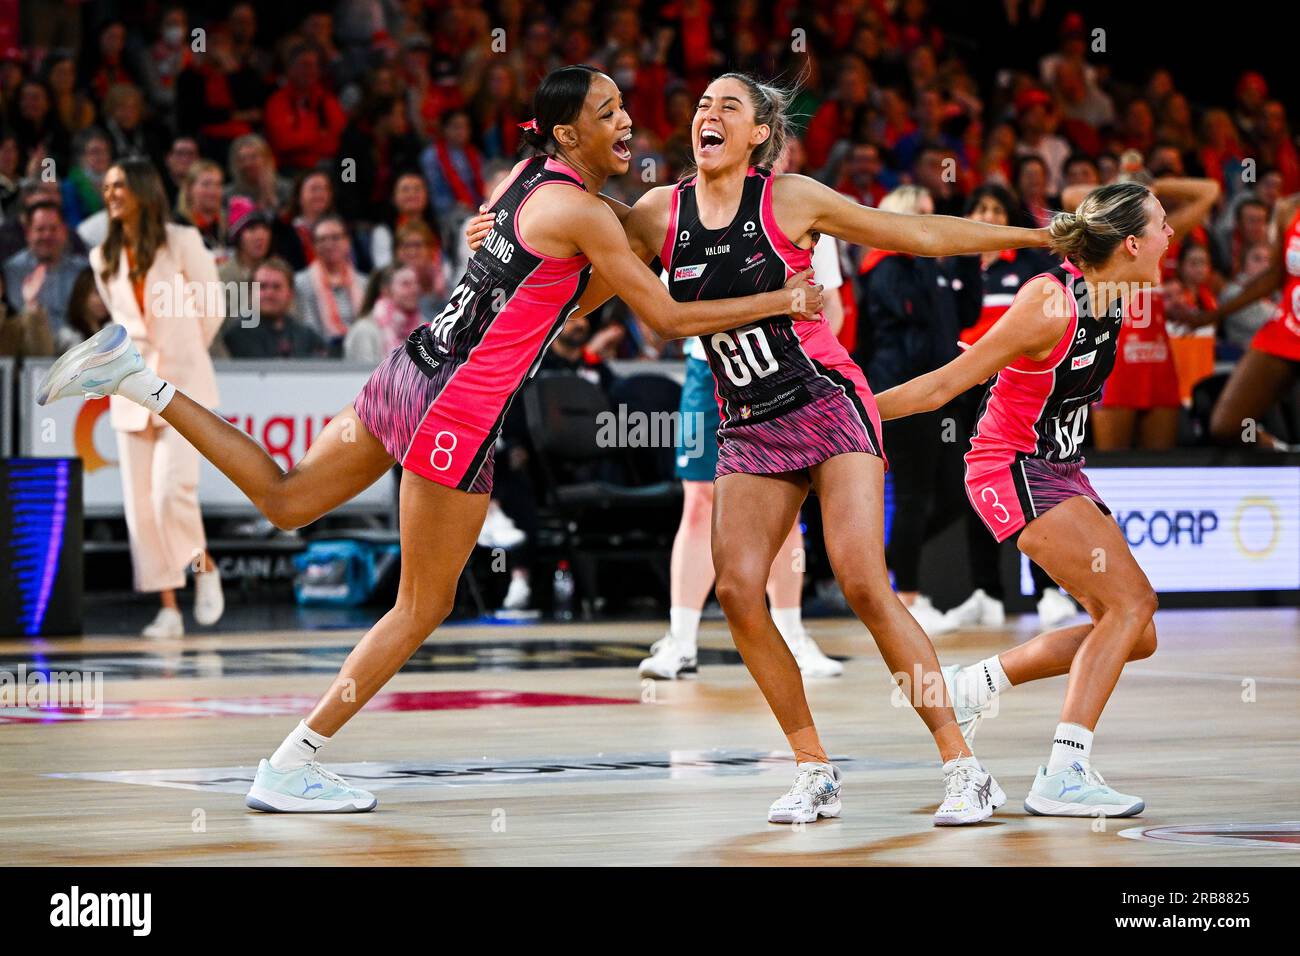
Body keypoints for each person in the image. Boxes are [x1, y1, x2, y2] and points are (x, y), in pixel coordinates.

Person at [37, 66, 823, 814]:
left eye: (624, 107)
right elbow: (669, 320)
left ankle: (136, 377)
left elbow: (563, 302)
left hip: (411, 369)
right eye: (608, 111)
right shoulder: (582, 212)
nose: (626, 121)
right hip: (459, 409)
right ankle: (291, 764)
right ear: (566, 132)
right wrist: (777, 297)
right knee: (422, 604)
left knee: (284, 499)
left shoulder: (524, 183)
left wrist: (637, 241)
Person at [468, 72, 1050, 825]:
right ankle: (814, 768)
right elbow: (568, 254)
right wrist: (503, 241)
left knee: (865, 583)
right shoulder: (655, 214)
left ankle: (964, 767)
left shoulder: (790, 198)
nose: (707, 113)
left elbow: (919, 233)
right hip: (747, 421)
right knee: (739, 591)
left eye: (728, 107)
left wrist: (1036, 237)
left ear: (757, 137)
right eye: (702, 103)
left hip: (828, 405)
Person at [877, 181, 1171, 816]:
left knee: (1135, 631)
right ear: (1130, 244)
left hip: (1061, 470)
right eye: (1162, 225)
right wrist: (852, 413)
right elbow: (946, 385)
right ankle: (1064, 772)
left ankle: (972, 686)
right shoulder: (1050, 302)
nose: (1171, 236)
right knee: (1133, 603)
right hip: (1010, 468)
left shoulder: (1119, 294)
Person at [73, 157, 225, 639]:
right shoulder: (102, 257)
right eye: (107, 186)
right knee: (140, 507)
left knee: (169, 493)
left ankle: (204, 568)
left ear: (142, 189)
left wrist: (180, 354)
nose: (111, 192)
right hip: (131, 391)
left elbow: (212, 308)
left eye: (120, 185)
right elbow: (122, 325)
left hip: (183, 387)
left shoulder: (182, 242)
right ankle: (168, 609)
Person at [938, 183, 1073, 633]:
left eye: (998, 207)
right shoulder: (958, 267)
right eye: (982, 207)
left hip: (1019, 388)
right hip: (967, 387)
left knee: (1032, 485)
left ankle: (1049, 591)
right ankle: (986, 593)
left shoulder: (1032, 267)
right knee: (976, 489)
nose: (990, 215)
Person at [1198, 192, 1300, 449]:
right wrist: (1213, 315)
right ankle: (1280, 450)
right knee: (1226, 425)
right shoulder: (1289, 208)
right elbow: (1275, 276)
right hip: (1286, 330)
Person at [2, 200, 89, 352]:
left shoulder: (83, 269)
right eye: (40, 229)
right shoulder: (12, 269)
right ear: (28, 233)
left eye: (53, 229)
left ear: (65, 231)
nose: (47, 235)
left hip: (76, 345)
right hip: (27, 347)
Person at [224, 258, 327, 359]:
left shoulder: (307, 336)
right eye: (262, 286)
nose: (269, 293)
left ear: (290, 294)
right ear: (251, 292)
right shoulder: (235, 336)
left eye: (276, 287)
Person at [294, 214, 368, 353]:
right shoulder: (300, 282)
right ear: (314, 246)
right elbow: (307, 327)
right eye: (322, 240)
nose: (328, 245)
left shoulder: (365, 283)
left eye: (335, 238)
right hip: (319, 355)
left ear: (347, 242)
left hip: (359, 354)